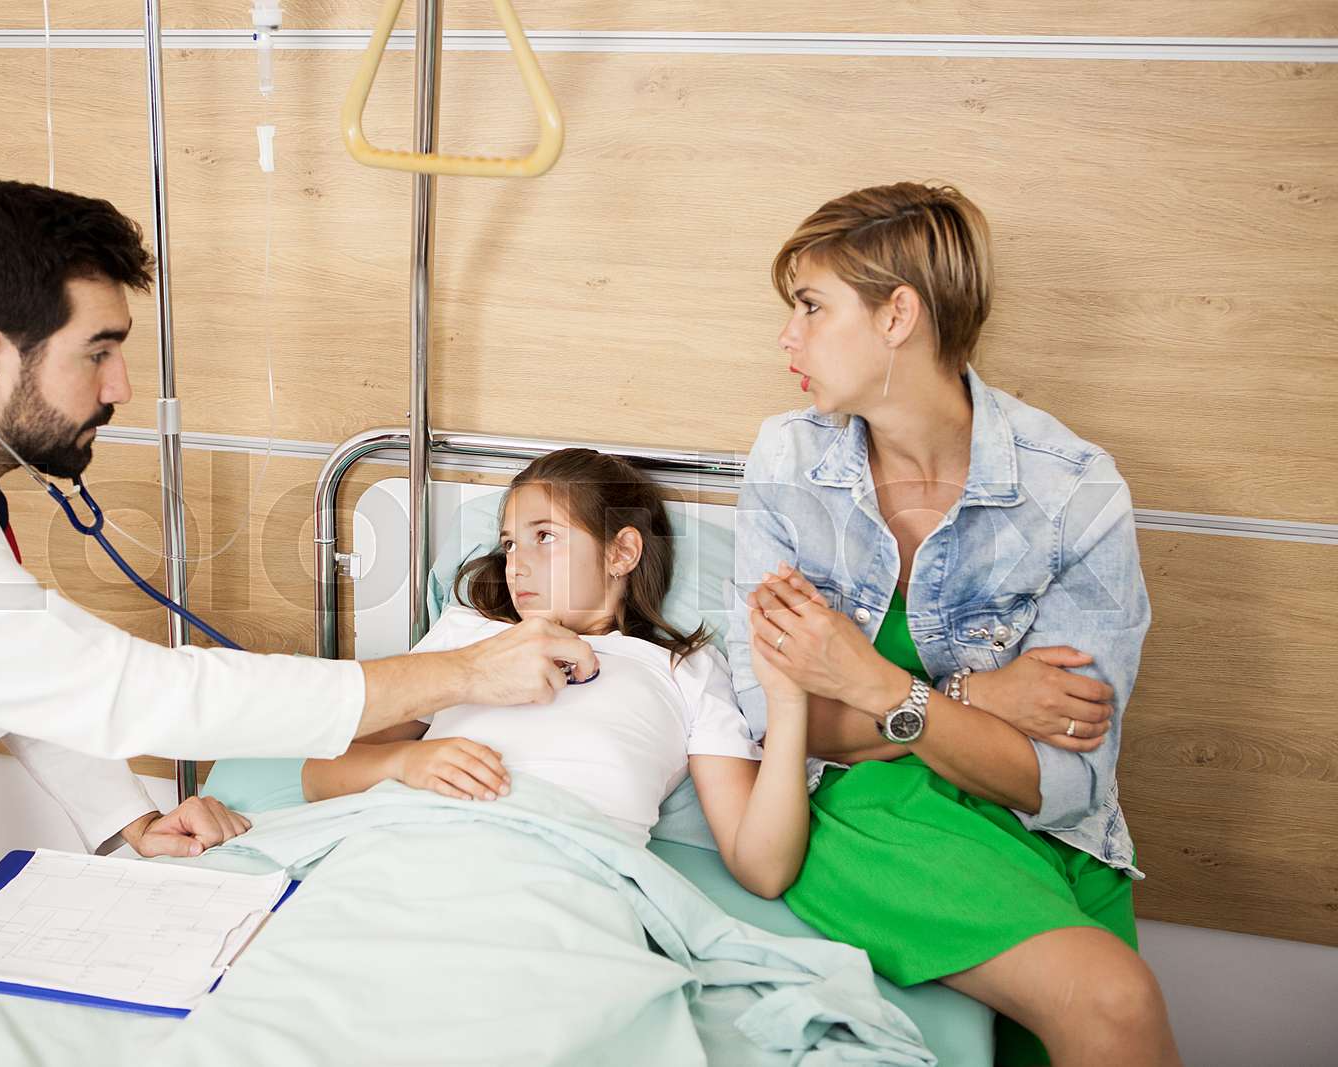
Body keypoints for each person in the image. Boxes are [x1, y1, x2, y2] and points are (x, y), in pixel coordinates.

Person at [0, 180, 595, 1067]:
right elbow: (133, 689)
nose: (122, 386)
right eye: (98, 352)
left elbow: (17, 680)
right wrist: (464, 671)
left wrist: (124, 818)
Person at [727, 182, 1182, 1067]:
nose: (788, 337)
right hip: (867, 811)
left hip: (1041, 830)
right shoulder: (787, 463)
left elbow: (1062, 781)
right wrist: (979, 699)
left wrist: (880, 688)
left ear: (898, 314)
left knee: (1104, 1012)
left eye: (812, 307)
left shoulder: (1074, 492)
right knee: (1114, 999)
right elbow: (778, 720)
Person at [303, 448, 813, 898]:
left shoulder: (684, 667)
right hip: (414, 853)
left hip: (565, 884)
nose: (516, 565)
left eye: (544, 536)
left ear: (622, 552)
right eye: (508, 545)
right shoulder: (469, 635)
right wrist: (404, 762)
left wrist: (789, 703)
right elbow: (319, 773)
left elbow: (763, 870)